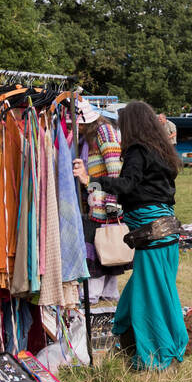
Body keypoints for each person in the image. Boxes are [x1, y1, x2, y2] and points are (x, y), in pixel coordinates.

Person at [73, 101, 187, 368]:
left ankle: (155, 355)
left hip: (152, 235)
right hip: (165, 233)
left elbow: (126, 184)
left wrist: (91, 181)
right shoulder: (161, 150)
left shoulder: (138, 151)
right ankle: (129, 341)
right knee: (144, 294)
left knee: (152, 297)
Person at [75, 99, 126, 303]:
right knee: (103, 245)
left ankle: (95, 292)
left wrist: (112, 203)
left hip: (106, 200)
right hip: (96, 197)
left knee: (101, 246)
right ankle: (107, 291)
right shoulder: (86, 139)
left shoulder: (104, 131)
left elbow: (114, 167)